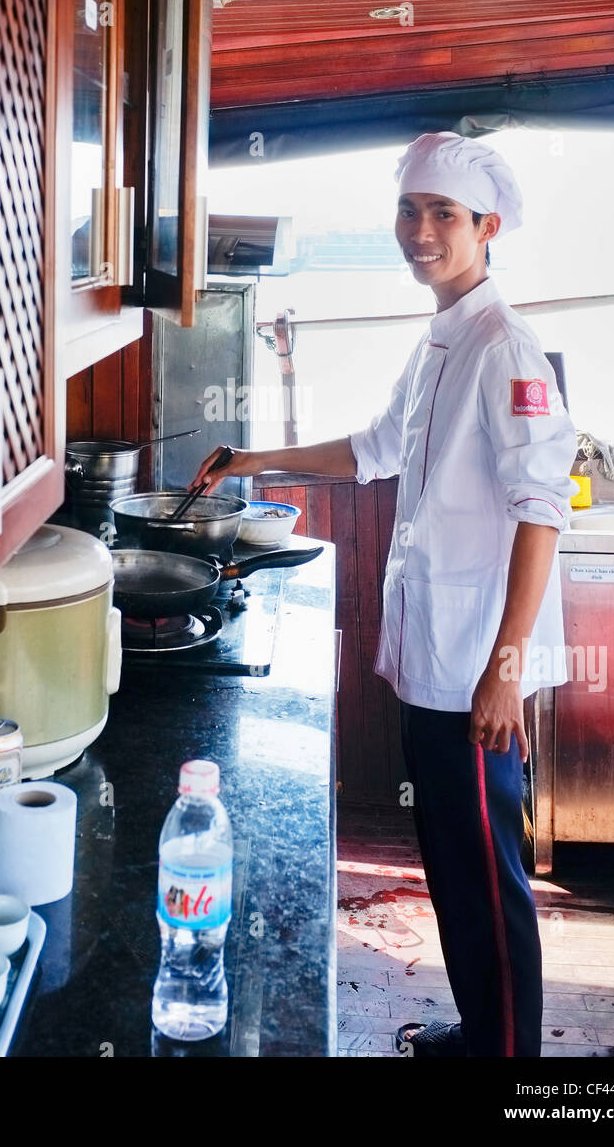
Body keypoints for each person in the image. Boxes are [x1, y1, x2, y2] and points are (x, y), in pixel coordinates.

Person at [191, 131, 578, 1059]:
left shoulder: (505, 348)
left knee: (489, 876)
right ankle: (482, 1032)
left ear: (487, 227)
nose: (420, 231)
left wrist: (504, 670)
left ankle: (514, 1063)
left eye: (443, 214)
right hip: (436, 662)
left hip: (477, 676)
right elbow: (374, 451)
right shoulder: (442, 339)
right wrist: (254, 457)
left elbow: (544, 509)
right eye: (410, 210)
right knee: (453, 865)